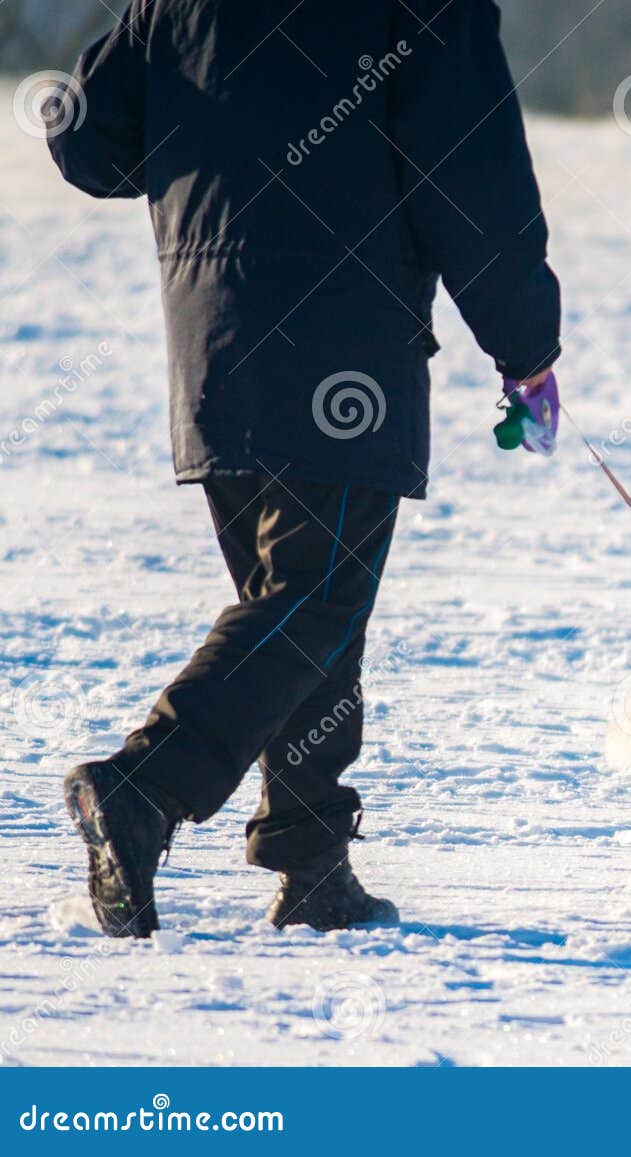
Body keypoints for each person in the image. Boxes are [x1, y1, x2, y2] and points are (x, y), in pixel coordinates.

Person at [47, 0, 561, 937]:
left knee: (300, 606)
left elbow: (89, 141)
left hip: (213, 332)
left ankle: (312, 858)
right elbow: (472, 173)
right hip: (341, 337)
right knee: (315, 600)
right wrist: (525, 345)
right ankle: (144, 785)